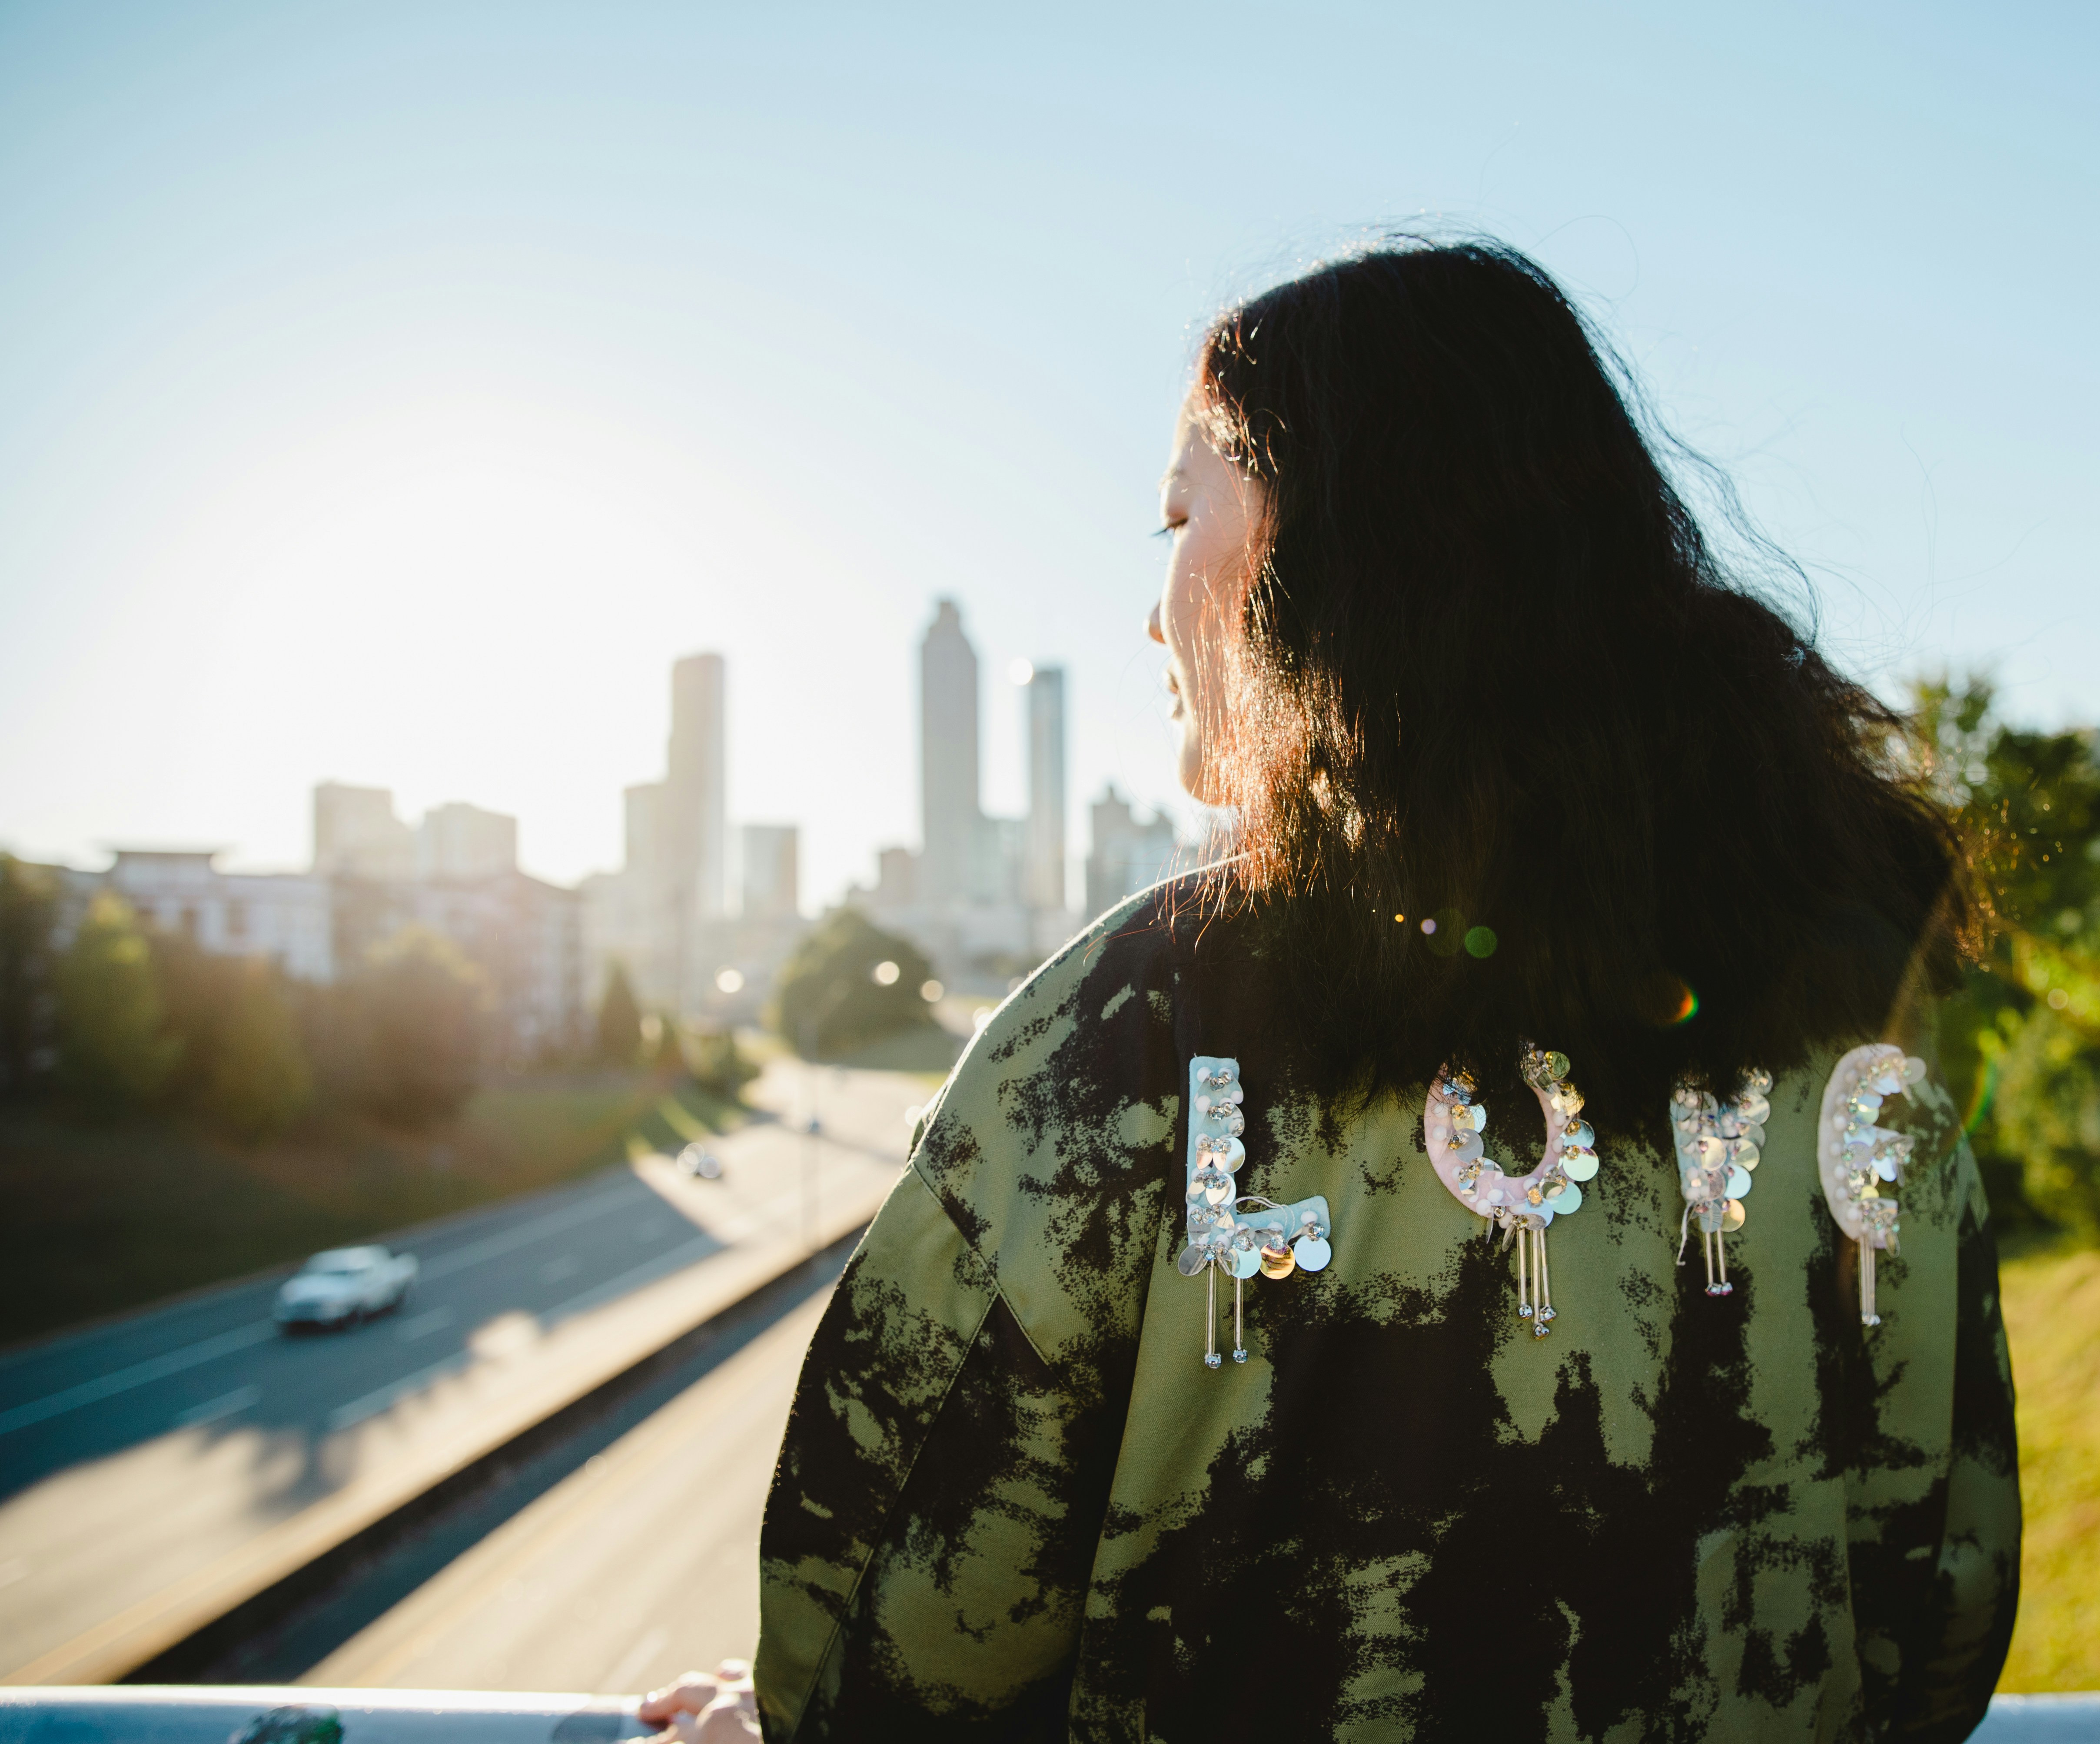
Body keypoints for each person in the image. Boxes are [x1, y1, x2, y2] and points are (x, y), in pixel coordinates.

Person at [647, 239, 2019, 1744]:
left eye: (1181, 513)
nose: (1151, 611)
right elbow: (1936, 1612)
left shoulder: (1134, 1033)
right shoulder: (1858, 1044)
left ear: (1342, 548)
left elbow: (895, 1660)